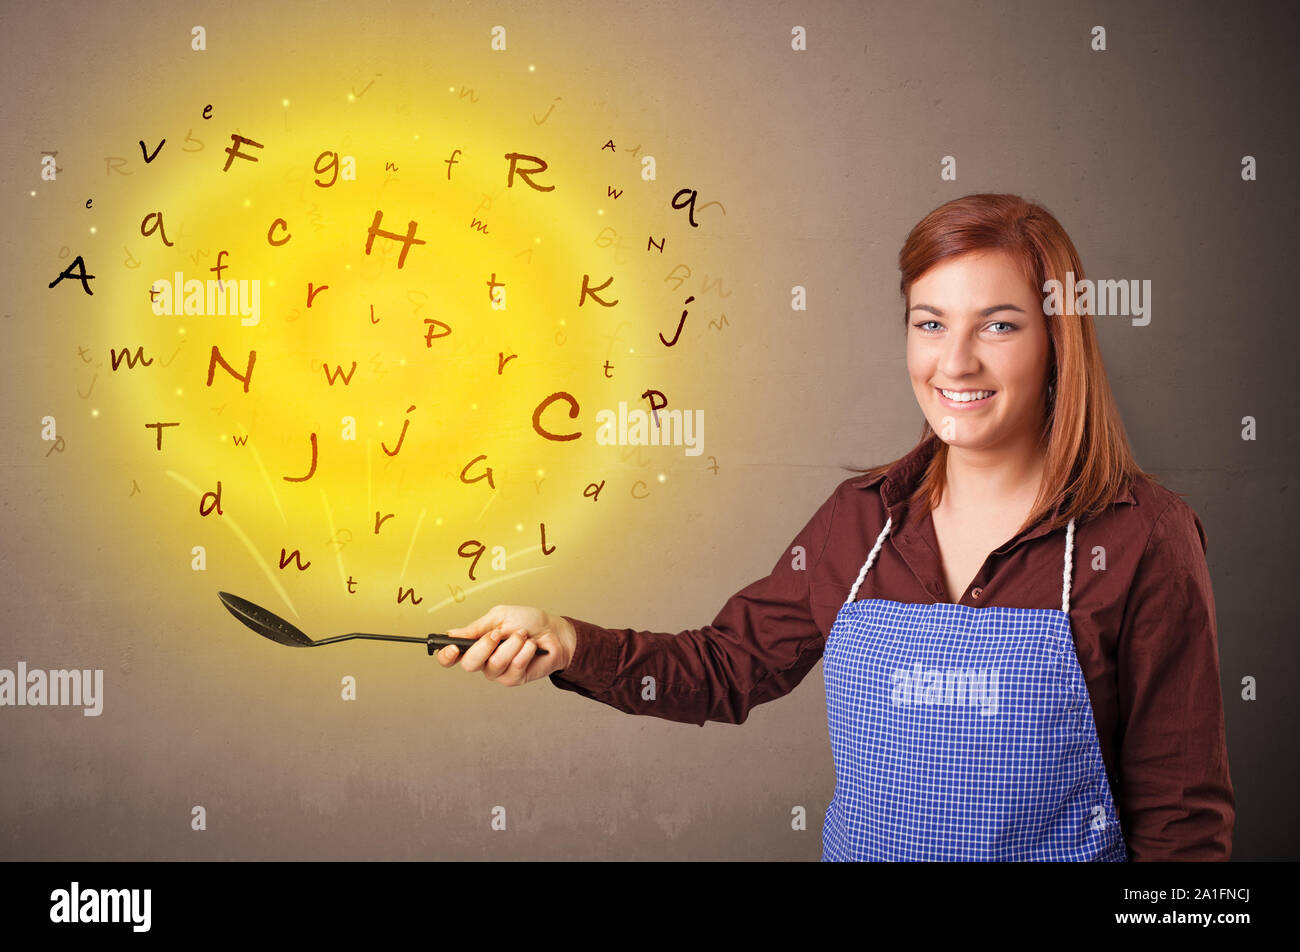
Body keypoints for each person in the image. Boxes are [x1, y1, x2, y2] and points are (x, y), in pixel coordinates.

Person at [434, 193, 1235, 862]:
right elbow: (724, 668)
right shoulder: (861, 522)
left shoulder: (1143, 539)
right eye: (929, 323)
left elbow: (1182, 820)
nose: (955, 363)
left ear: (1059, 342)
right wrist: (568, 641)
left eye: (998, 325)